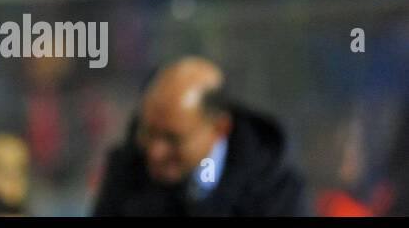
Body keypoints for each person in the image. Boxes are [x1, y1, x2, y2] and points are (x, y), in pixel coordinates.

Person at [93, 56, 306, 216]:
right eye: (148, 132)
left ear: (219, 128)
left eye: (173, 139)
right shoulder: (126, 170)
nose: (155, 152)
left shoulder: (275, 186)